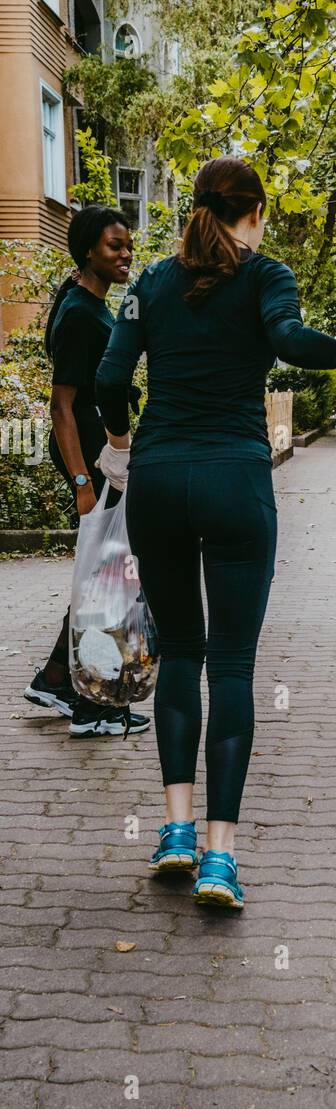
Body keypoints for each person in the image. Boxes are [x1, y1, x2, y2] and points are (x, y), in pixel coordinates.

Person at [94, 155, 336, 908]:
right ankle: (221, 859)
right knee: (229, 665)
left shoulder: (151, 283)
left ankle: (175, 831)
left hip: (158, 482)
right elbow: (290, 341)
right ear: (254, 211)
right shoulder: (265, 275)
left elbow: (107, 381)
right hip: (233, 482)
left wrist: (124, 447)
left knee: (180, 652)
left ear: (196, 209)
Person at [23, 205, 150, 739]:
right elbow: (62, 407)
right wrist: (81, 482)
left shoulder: (89, 302)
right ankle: (93, 705)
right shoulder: (80, 312)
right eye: (114, 247)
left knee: (103, 575)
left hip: (102, 458)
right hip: (91, 461)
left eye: (127, 245)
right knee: (107, 580)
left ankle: (57, 679)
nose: (126, 255)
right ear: (88, 252)